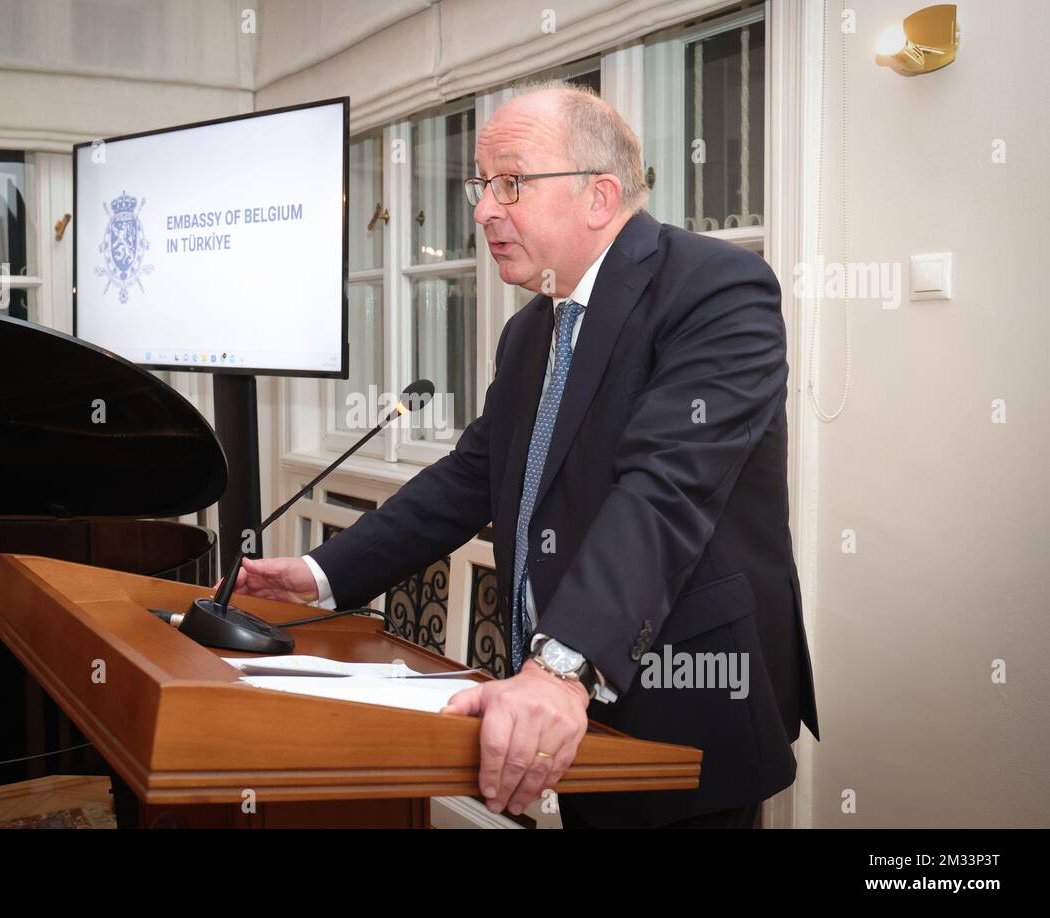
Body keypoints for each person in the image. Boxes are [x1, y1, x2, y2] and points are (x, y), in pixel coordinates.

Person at [232, 80, 819, 829]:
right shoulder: (531, 329)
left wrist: (562, 664)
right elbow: (472, 476)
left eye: (509, 182)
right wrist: (322, 572)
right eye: (482, 186)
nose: (481, 209)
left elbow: (666, 488)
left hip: (685, 703)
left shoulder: (716, 289)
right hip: (561, 703)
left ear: (599, 196)